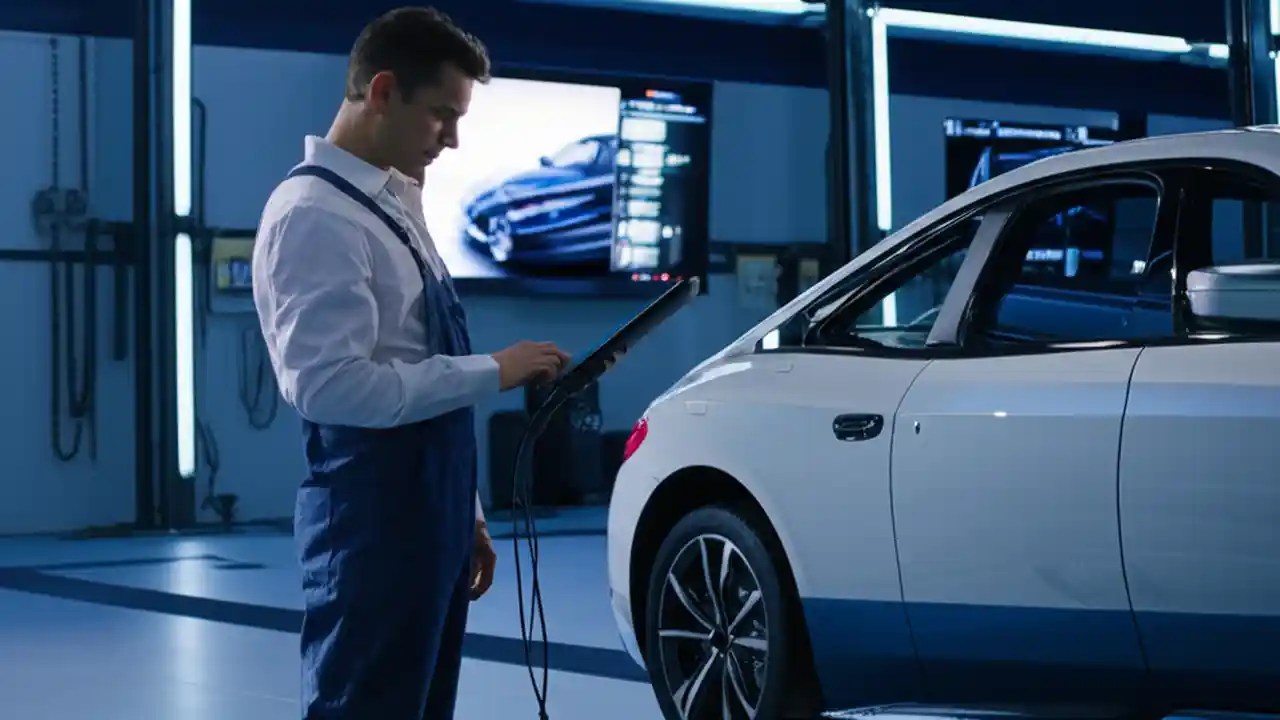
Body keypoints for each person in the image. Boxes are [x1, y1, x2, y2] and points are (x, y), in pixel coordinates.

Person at [250, 7, 571, 719]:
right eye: (440, 117)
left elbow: (420, 362)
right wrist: (496, 370)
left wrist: (468, 514)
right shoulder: (314, 215)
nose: (452, 141)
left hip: (431, 515)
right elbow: (332, 387)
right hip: (370, 524)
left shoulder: (395, 206)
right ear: (384, 91)